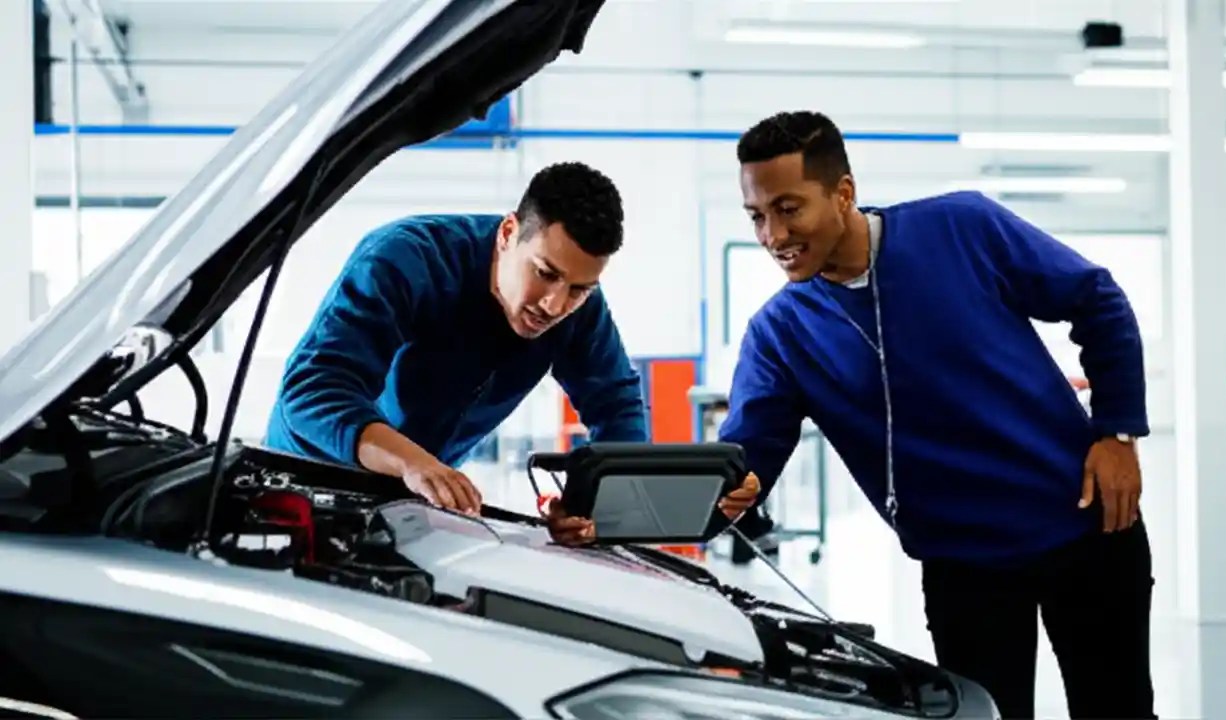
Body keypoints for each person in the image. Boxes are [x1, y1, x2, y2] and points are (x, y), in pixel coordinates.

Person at [718, 110, 1155, 720]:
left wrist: (1116, 430)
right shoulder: (780, 332)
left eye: (789, 208)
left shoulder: (962, 228)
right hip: (964, 571)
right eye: (757, 216)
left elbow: (1098, 300)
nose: (772, 234)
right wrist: (725, 489)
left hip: (1084, 527)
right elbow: (746, 452)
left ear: (843, 193)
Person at [264, 161, 758, 541]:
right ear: (506, 234)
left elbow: (615, 403)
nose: (555, 304)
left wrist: (603, 509)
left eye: (580, 288)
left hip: (406, 498)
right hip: (295, 486)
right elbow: (312, 394)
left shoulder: (577, 307)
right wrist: (414, 462)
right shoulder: (404, 259)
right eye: (544, 273)